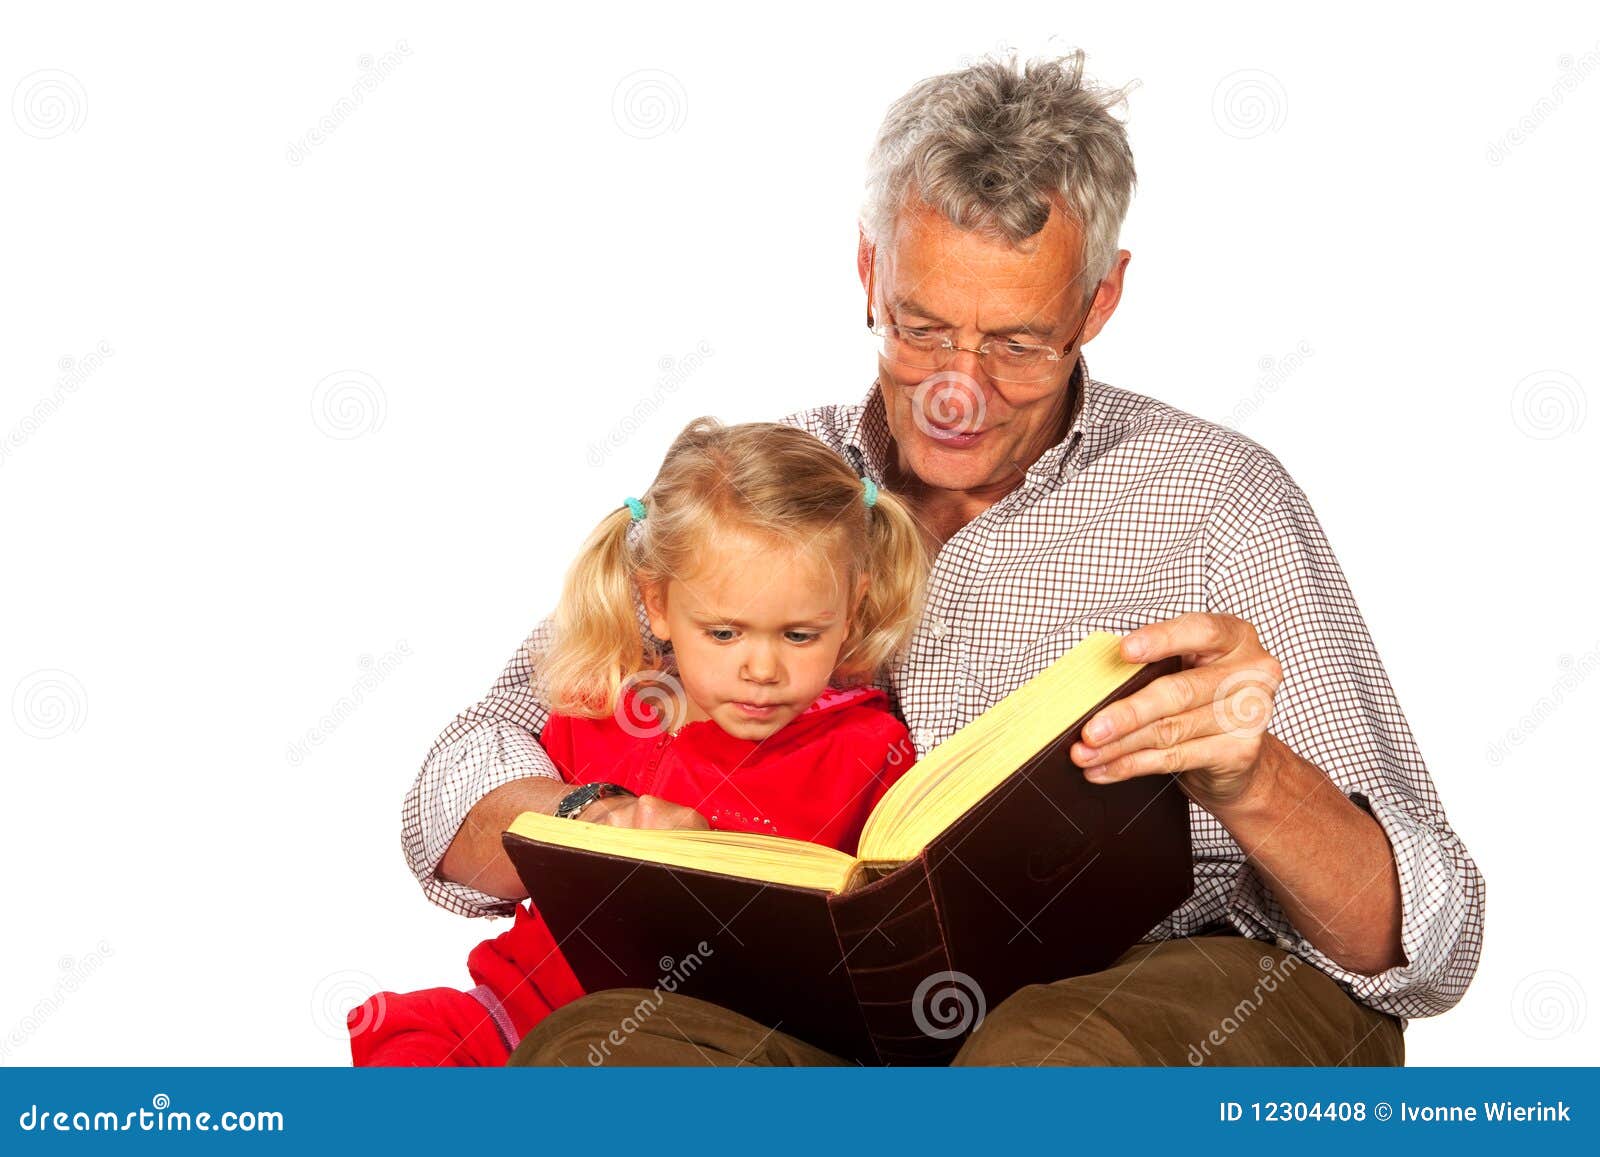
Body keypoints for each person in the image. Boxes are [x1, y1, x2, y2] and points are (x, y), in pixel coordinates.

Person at [412, 51, 1485, 1067]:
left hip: (1185, 977)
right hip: (836, 1012)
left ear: (1098, 300)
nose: (955, 391)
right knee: (595, 1055)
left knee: (1034, 1064)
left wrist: (1256, 779)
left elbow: (1433, 942)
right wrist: (589, 816)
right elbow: (453, 795)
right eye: (920, 329)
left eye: (1015, 342)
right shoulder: (766, 490)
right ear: (871, 272)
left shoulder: (1214, 497)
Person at [351, 418, 930, 1065]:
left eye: (799, 635)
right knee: (407, 1051)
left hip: (705, 1039)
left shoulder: (870, 747)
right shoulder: (598, 703)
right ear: (656, 603)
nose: (762, 669)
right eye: (725, 633)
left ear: (853, 606)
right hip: (513, 1013)